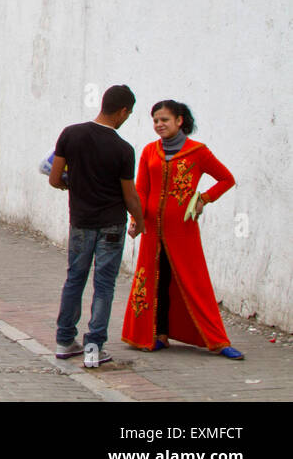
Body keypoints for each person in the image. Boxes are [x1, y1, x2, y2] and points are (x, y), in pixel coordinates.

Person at [122, 101, 243, 360]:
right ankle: (157, 334)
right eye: (155, 120)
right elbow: (142, 190)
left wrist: (204, 199)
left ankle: (218, 341)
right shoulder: (148, 152)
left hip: (183, 230)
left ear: (179, 121)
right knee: (156, 279)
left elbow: (226, 179)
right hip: (153, 230)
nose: (159, 125)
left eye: (164, 119)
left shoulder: (198, 152)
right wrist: (136, 219)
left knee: (193, 282)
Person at [49, 84, 144, 368]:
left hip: (80, 222)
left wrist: (74, 184)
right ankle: (93, 349)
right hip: (112, 225)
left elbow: (54, 179)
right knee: (104, 285)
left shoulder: (71, 134)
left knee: (74, 279)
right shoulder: (124, 149)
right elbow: (129, 194)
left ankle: (65, 341)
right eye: (129, 114)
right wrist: (139, 220)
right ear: (123, 111)